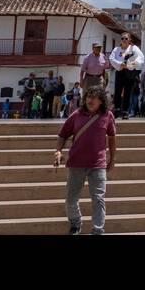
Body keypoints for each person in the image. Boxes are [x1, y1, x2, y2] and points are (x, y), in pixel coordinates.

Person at [56, 85, 117, 235]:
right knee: (71, 199)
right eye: (88, 97)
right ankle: (75, 223)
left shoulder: (108, 116)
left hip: (98, 164)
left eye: (94, 98)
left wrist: (112, 158)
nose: (90, 100)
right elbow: (63, 134)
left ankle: (97, 230)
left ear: (101, 101)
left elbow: (112, 139)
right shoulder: (76, 115)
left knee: (98, 199)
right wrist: (58, 151)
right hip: (76, 163)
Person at [109, 34, 144, 118]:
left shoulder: (134, 48)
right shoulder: (116, 49)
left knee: (128, 92)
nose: (124, 40)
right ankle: (117, 110)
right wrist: (120, 64)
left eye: (126, 38)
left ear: (129, 40)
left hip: (129, 71)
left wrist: (130, 64)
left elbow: (140, 58)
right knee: (117, 91)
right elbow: (111, 58)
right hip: (120, 71)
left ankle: (125, 111)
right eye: (122, 38)